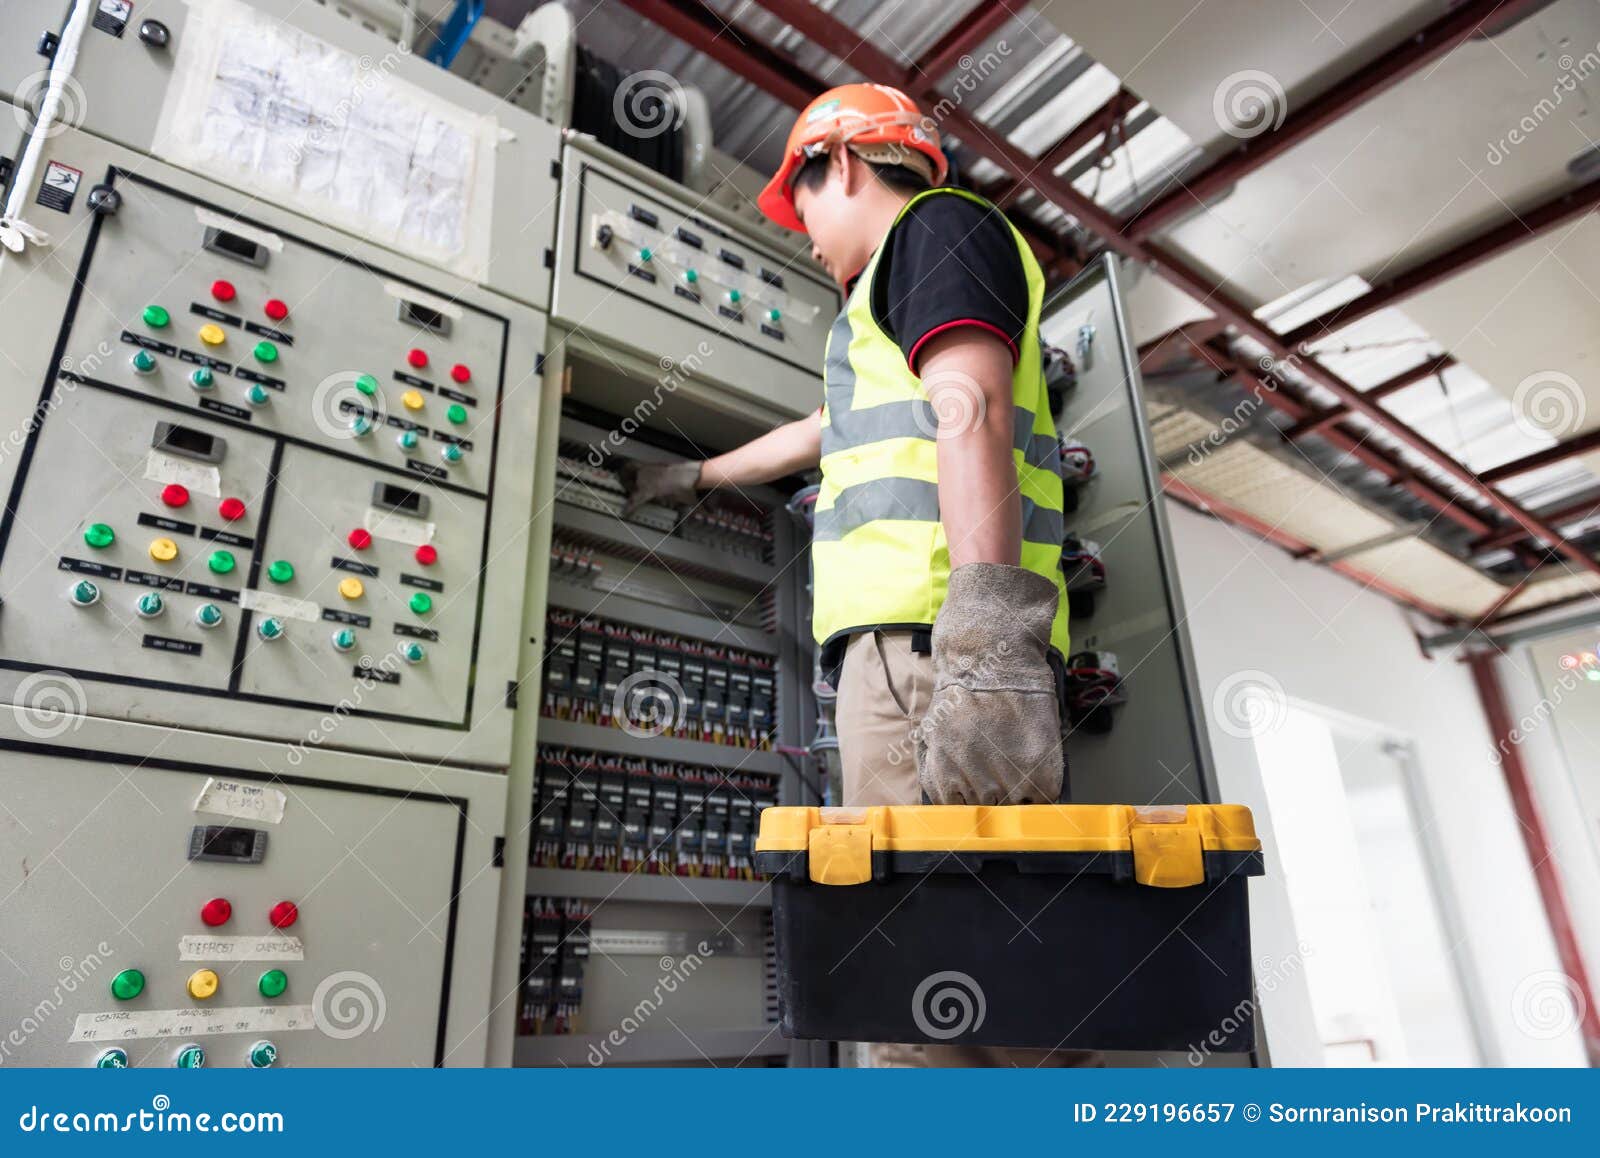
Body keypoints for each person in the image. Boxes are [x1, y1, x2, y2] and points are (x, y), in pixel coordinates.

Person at [623, 85, 1091, 1067]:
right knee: (971, 971)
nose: (803, 239)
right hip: (922, 650)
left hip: (932, 648)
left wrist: (988, 638)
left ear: (839, 162)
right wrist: (699, 474)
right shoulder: (895, 299)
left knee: (917, 985)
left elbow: (972, 413)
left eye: (802, 208)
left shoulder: (939, 229)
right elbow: (829, 431)